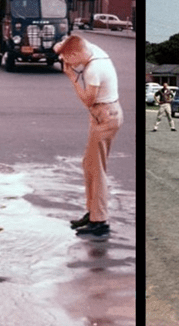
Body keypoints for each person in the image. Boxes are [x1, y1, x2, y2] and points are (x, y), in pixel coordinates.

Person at [55, 35, 123, 240]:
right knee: (89, 165)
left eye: (69, 60)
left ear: (76, 54)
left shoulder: (93, 70)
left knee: (97, 168)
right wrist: (63, 52)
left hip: (105, 115)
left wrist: (73, 78)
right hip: (102, 113)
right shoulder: (90, 49)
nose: (67, 64)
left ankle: (99, 222)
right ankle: (93, 212)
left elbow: (87, 100)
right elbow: (65, 45)